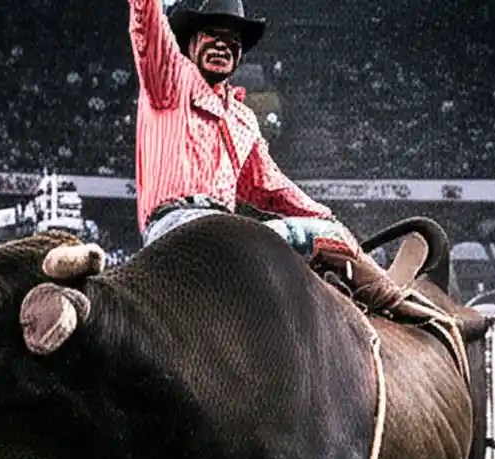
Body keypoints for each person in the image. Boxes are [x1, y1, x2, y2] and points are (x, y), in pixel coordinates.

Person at [127, 0, 438, 325]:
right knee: (321, 239)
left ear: (241, 52)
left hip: (225, 230)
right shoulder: (169, 80)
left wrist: (326, 217)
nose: (223, 43)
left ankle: (364, 293)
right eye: (212, 33)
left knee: (321, 240)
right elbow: (147, 28)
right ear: (189, 42)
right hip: (177, 226)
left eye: (233, 38)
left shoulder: (242, 119)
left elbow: (270, 187)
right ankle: (393, 300)